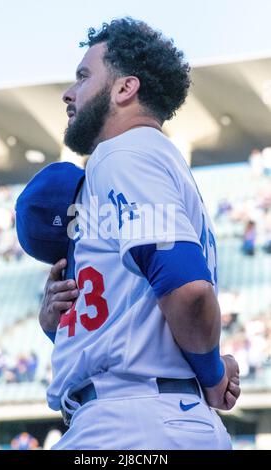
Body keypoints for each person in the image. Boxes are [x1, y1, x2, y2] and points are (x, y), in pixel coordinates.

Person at [28, 18, 240, 450]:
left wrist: (213, 374)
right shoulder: (141, 161)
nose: (69, 92)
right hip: (147, 417)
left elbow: (189, 291)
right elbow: (142, 313)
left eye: (84, 76)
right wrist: (61, 324)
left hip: (132, 424)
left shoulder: (123, 152)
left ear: (125, 89)